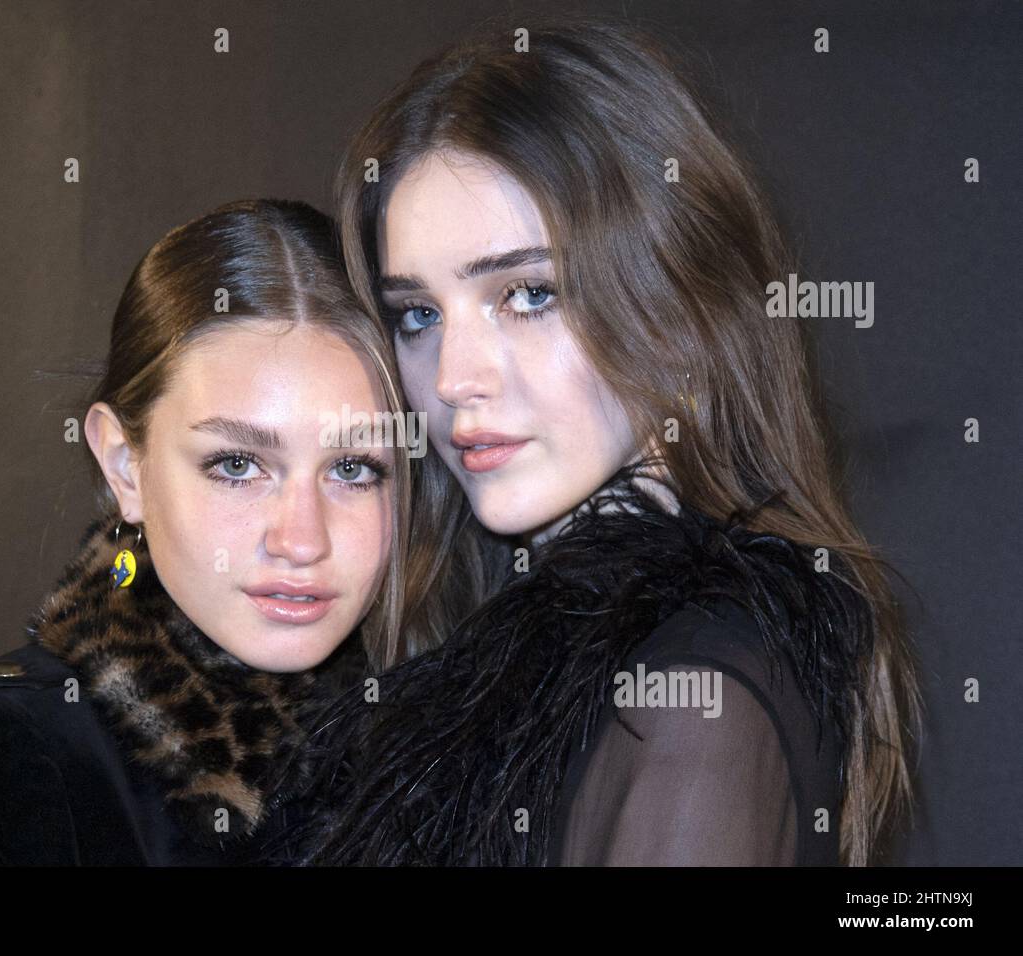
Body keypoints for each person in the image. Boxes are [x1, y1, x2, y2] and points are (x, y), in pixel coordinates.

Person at [261, 16, 923, 866]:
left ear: (679, 301)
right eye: (418, 315)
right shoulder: (482, 658)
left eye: (527, 295)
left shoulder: (690, 699)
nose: (456, 375)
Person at [0, 198, 412, 865]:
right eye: (237, 464)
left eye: (354, 468)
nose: (303, 540)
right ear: (124, 465)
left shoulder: (445, 739)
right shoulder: (13, 752)